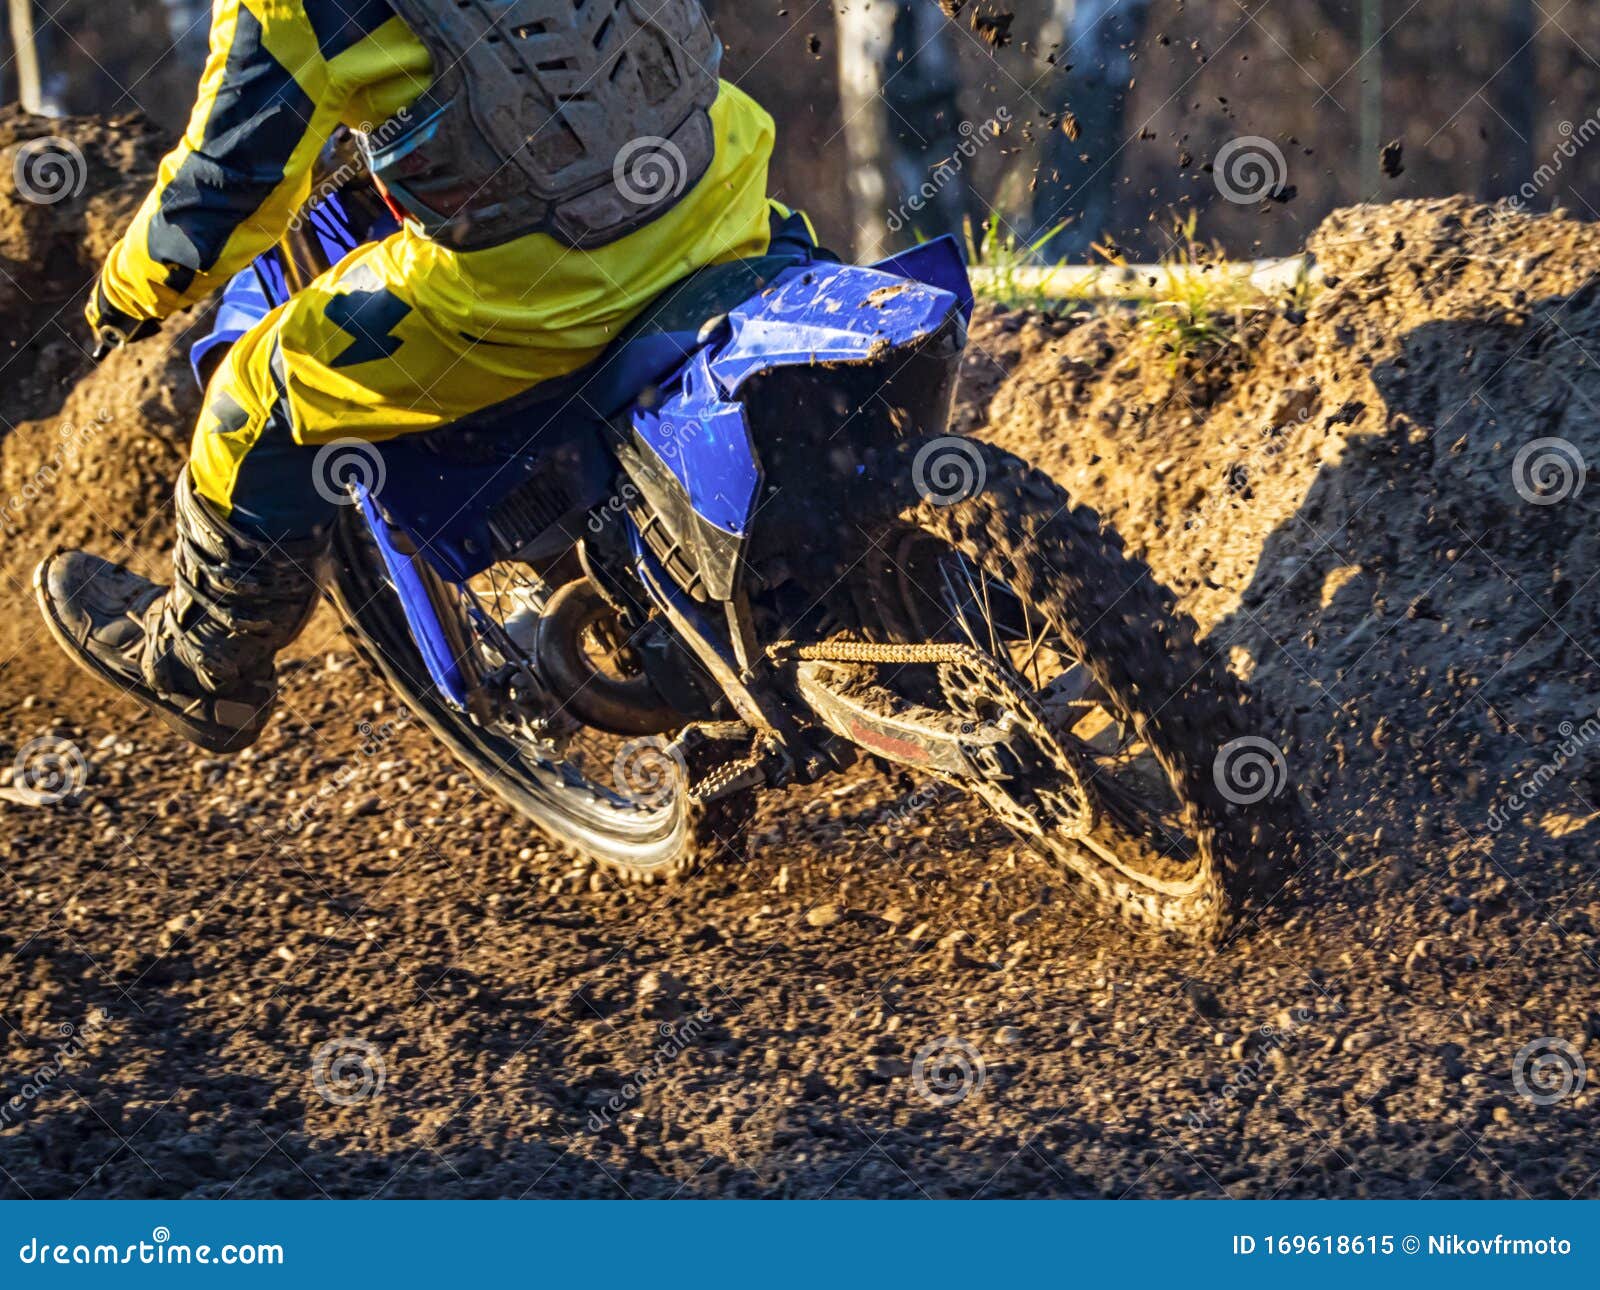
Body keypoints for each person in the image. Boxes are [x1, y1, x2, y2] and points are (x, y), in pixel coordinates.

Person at [35, 0, 783, 754]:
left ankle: (204, 665)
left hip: (537, 294)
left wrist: (124, 292)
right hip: (724, 184)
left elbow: (225, 188)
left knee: (258, 392)